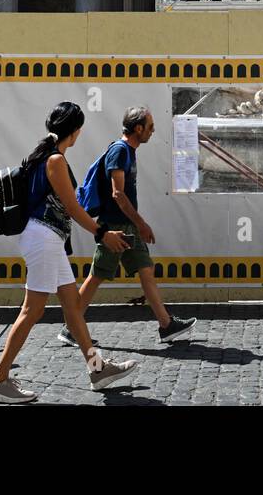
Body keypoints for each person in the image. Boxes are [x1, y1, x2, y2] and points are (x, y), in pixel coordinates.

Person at [0, 102, 140, 403]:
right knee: (32, 311)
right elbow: (72, 207)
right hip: (43, 239)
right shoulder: (54, 160)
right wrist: (102, 233)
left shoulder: (46, 157)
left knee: (72, 307)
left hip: (48, 240)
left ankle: (98, 370)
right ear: (76, 130)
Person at [61, 106, 197, 347]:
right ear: (138, 128)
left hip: (126, 225)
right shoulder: (120, 151)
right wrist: (141, 224)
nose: (153, 131)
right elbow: (118, 195)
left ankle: (166, 325)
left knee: (146, 270)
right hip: (116, 227)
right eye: (150, 127)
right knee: (97, 275)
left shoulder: (128, 151)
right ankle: (71, 327)